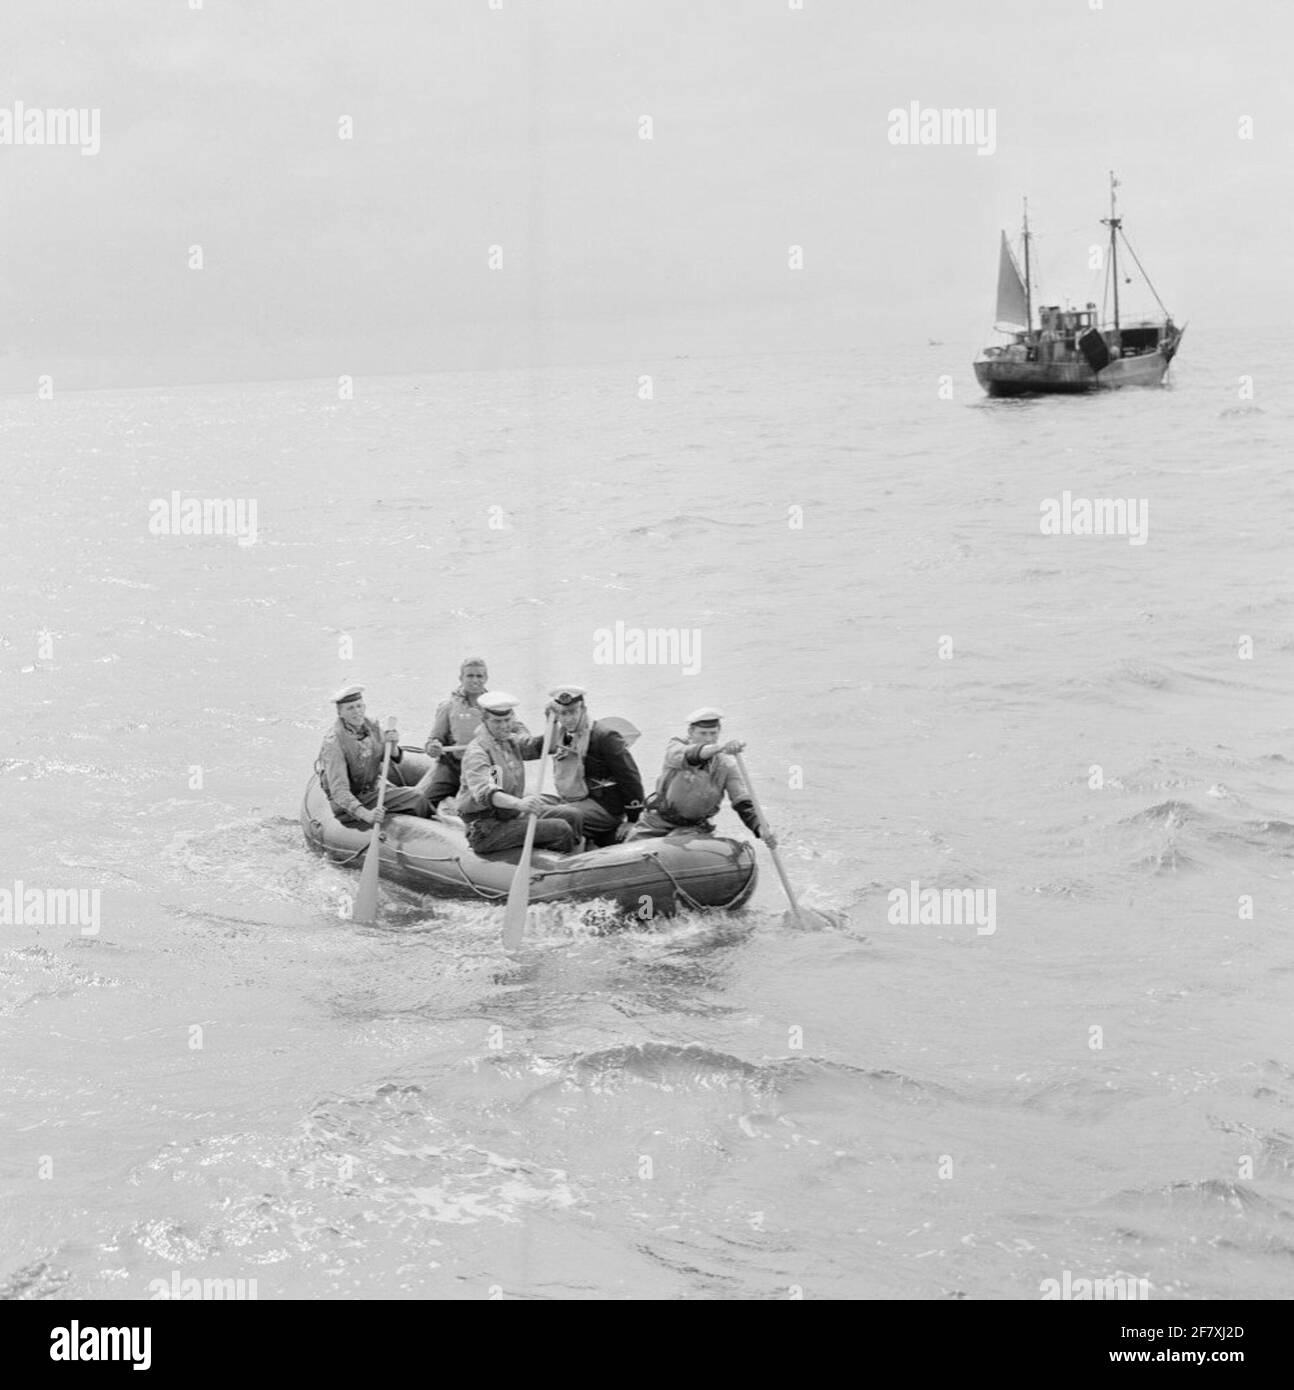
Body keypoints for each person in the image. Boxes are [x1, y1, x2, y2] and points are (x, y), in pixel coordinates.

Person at [458, 691, 584, 856]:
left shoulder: (510, 741)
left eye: (507, 720)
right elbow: (485, 793)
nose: (504, 726)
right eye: (497, 722)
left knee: (574, 815)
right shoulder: (477, 752)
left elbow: (547, 747)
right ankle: (554, 865)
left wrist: (551, 722)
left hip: (510, 815)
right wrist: (519, 804)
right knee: (560, 828)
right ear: (484, 720)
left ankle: (570, 856)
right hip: (485, 828)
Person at [628, 706, 776, 845]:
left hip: (694, 828)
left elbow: (742, 802)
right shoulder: (676, 746)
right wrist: (721, 747)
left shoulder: (727, 766)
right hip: (656, 821)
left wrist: (760, 827)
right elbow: (694, 755)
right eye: (703, 733)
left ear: (719, 732)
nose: (708, 738)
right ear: (690, 732)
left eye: (713, 733)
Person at [542, 684, 644, 848]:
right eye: (563, 713)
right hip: (574, 799)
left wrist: (633, 819)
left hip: (605, 806)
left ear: (583, 709)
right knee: (535, 803)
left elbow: (630, 777)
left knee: (559, 816)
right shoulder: (562, 737)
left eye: (573, 712)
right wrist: (550, 721)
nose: (568, 719)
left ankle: (573, 848)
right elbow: (541, 746)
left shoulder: (604, 736)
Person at [317, 684, 432, 826]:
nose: (356, 711)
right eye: (350, 708)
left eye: (359, 706)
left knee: (418, 796)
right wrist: (366, 815)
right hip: (351, 801)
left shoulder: (371, 726)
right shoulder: (334, 743)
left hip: (371, 789)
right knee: (417, 798)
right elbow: (339, 791)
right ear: (340, 713)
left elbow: (389, 756)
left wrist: (393, 743)